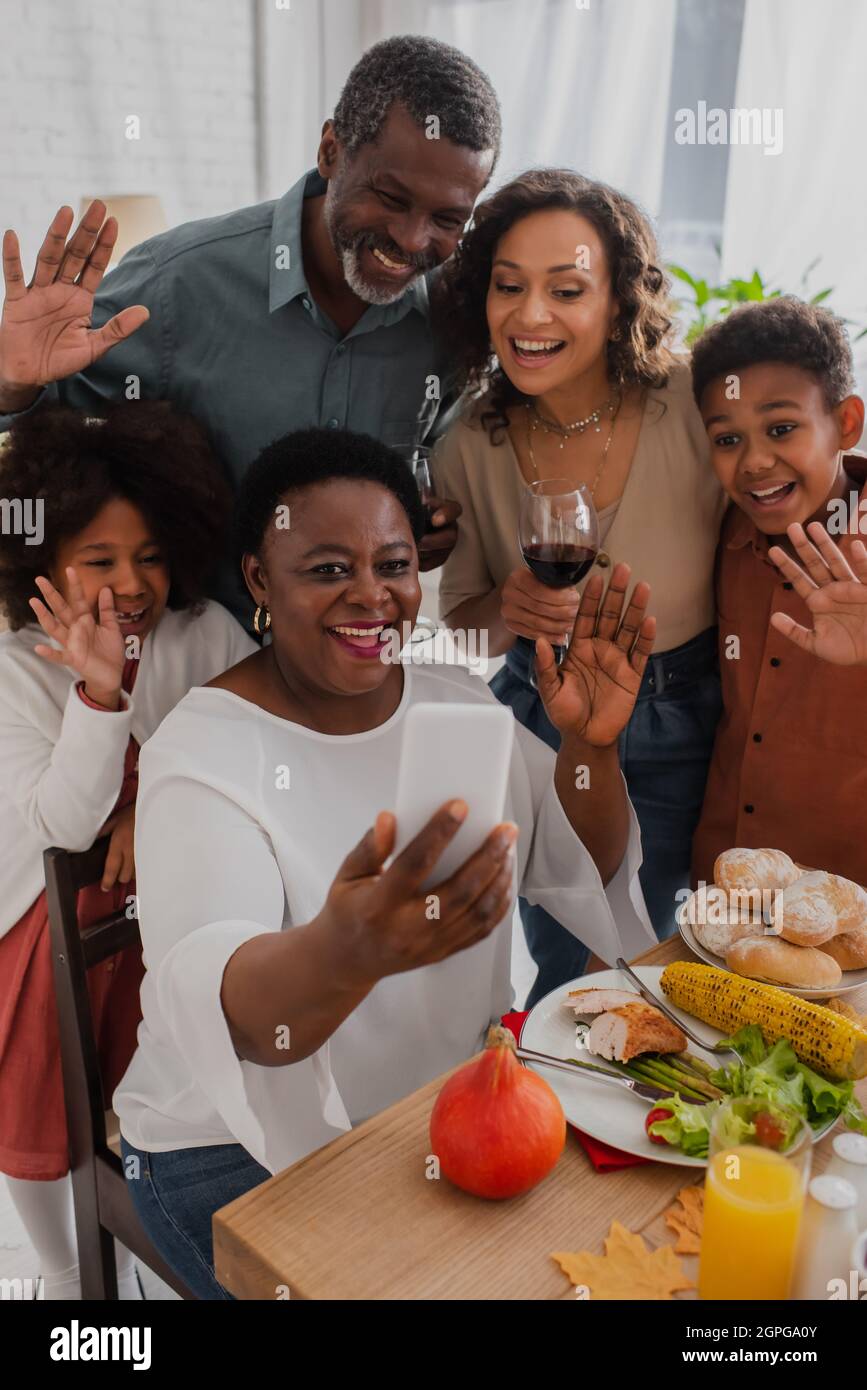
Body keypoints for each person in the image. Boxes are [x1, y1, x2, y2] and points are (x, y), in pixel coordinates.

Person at [114, 426, 657, 1299]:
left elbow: (580, 870)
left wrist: (590, 746)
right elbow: (232, 1014)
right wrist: (346, 951)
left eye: (393, 566)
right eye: (328, 569)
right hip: (224, 1147)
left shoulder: (454, 703)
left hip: (429, 1108)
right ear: (259, 579)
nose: (371, 597)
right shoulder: (205, 751)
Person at [0, 36, 503, 622]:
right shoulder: (178, 284)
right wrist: (12, 380)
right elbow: (45, 429)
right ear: (331, 150)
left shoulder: (449, 321)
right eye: (391, 197)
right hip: (191, 678)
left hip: (357, 672)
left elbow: (440, 457)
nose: (414, 240)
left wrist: (423, 527)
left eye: (447, 219)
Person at [431, 169, 727, 1005]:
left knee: (673, 968)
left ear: (617, 299)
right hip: (542, 718)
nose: (530, 317)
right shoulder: (465, 442)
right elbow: (457, 630)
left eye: (566, 289)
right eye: (507, 286)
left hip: (685, 717)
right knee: (569, 976)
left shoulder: (693, 400)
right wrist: (504, 611)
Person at [0, 403, 255, 1300]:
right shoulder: (17, 665)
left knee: (164, 1090)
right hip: (48, 921)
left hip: (173, 914)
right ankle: (68, 1276)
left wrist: (161, 808)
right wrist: (100, 695)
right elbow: (65, 827)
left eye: (149, 554)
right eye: (99, 560)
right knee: (44, 1116)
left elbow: (253, 747)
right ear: (42, 562)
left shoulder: (206, 634)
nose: (133, 582)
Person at [689, 297, 867, 887]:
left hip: (848, 909)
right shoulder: (723, 537)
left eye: (782, 429)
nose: (756, 462)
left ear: (846, 423)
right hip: (724, 891)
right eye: (727, 439)